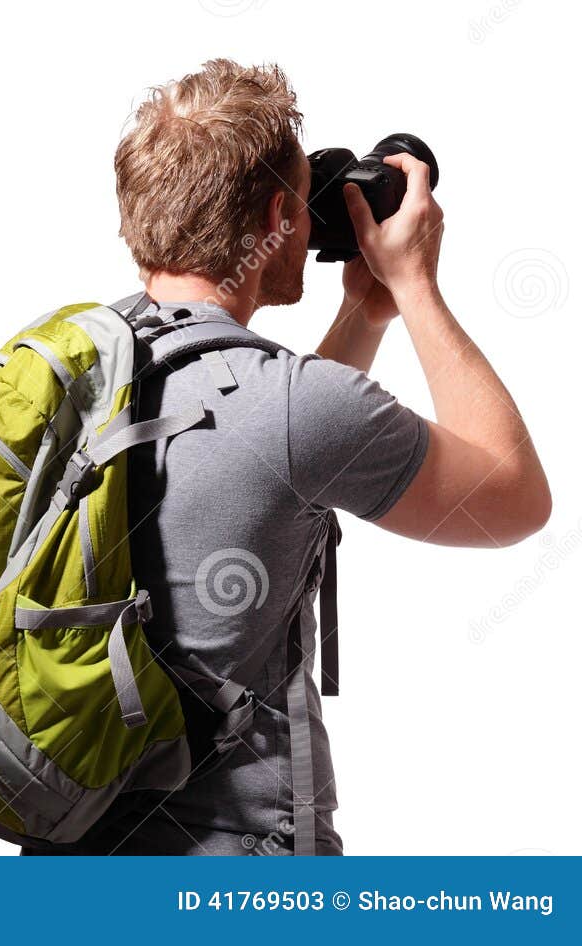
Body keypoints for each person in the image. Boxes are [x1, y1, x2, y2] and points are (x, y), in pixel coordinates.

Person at [27, 60, 550, 854]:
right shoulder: (291, 405)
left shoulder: (69, 368)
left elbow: (277, 452)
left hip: (63, 848)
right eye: (306, 201)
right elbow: (514, 499)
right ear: (279, 214)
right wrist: (415, 286)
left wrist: (365, 313)